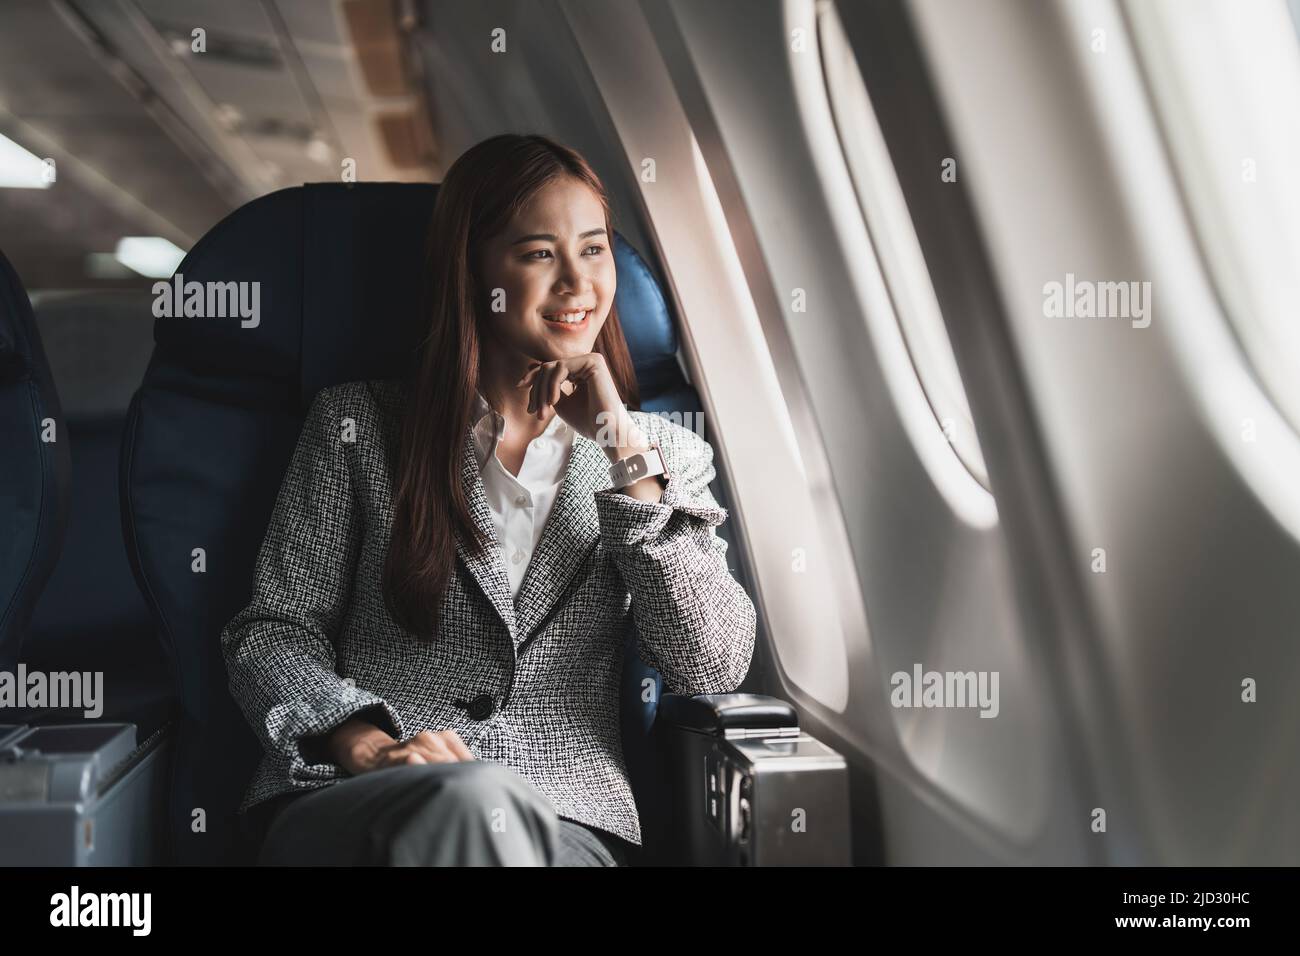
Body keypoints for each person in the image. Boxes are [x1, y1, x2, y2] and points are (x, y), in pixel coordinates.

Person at [221, 132, 757, 866]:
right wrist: (370, 747)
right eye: (539, 254)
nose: (578, 283)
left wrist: (623, 453)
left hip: (563, 824)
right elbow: (273, 632)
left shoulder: (665, 459)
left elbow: (711, 665)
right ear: (473, 272)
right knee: (467, 805)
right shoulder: (357, 426)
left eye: (594, 250)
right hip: (360, 801)